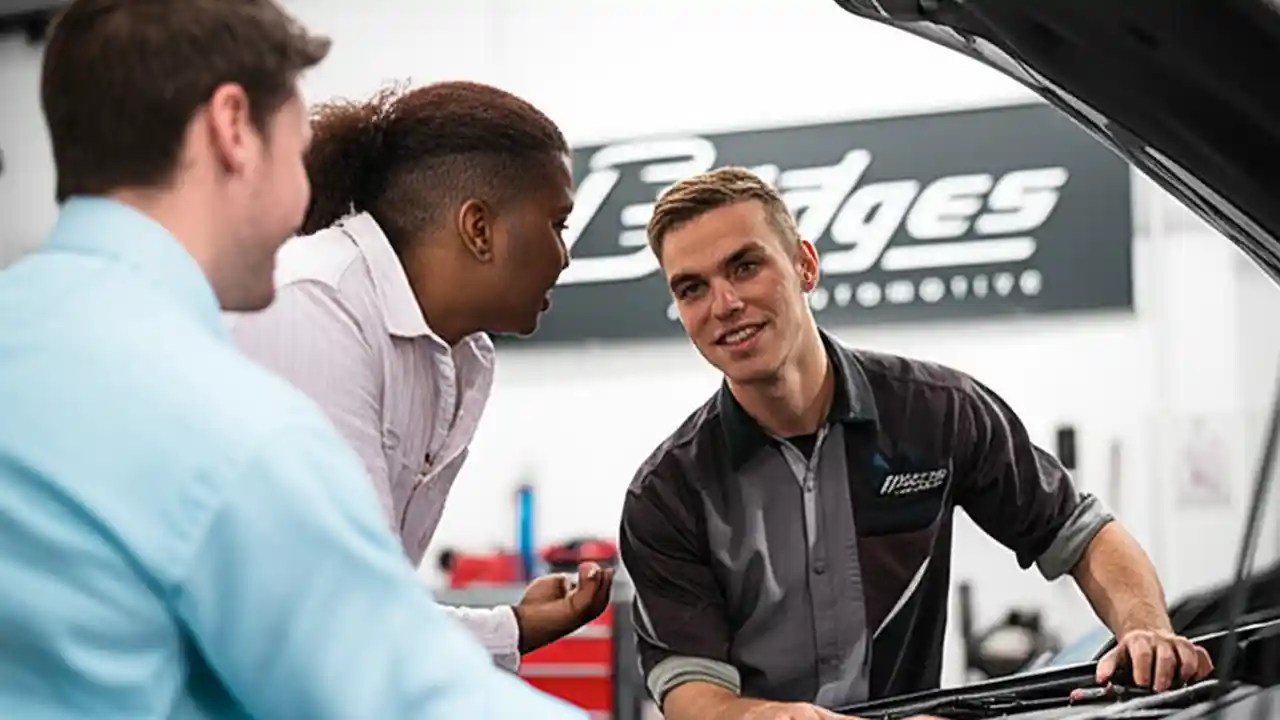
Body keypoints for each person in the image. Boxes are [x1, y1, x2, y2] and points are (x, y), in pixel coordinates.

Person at [0, 1, 586, 717]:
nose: (311, 191)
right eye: (296, 144)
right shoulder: (223, 418)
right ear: (233, 130)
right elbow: (388, 680)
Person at [617, 166, 1214, 720]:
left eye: (745, 266)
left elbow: (1083, 535)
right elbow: (691, 691)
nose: (724, 304)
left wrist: (1144, 628)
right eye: (692, 288)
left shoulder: (937, 412)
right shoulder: (668, 493)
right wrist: (767, 717)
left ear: (805, 265)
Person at [227, 80, 614, 670]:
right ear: (478, 229)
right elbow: (346, 612)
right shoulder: (315, 306)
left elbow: (366, 604)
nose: (564, 256)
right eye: (558, 224)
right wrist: (509, 631)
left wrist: (514, 626)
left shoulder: (461, 357)